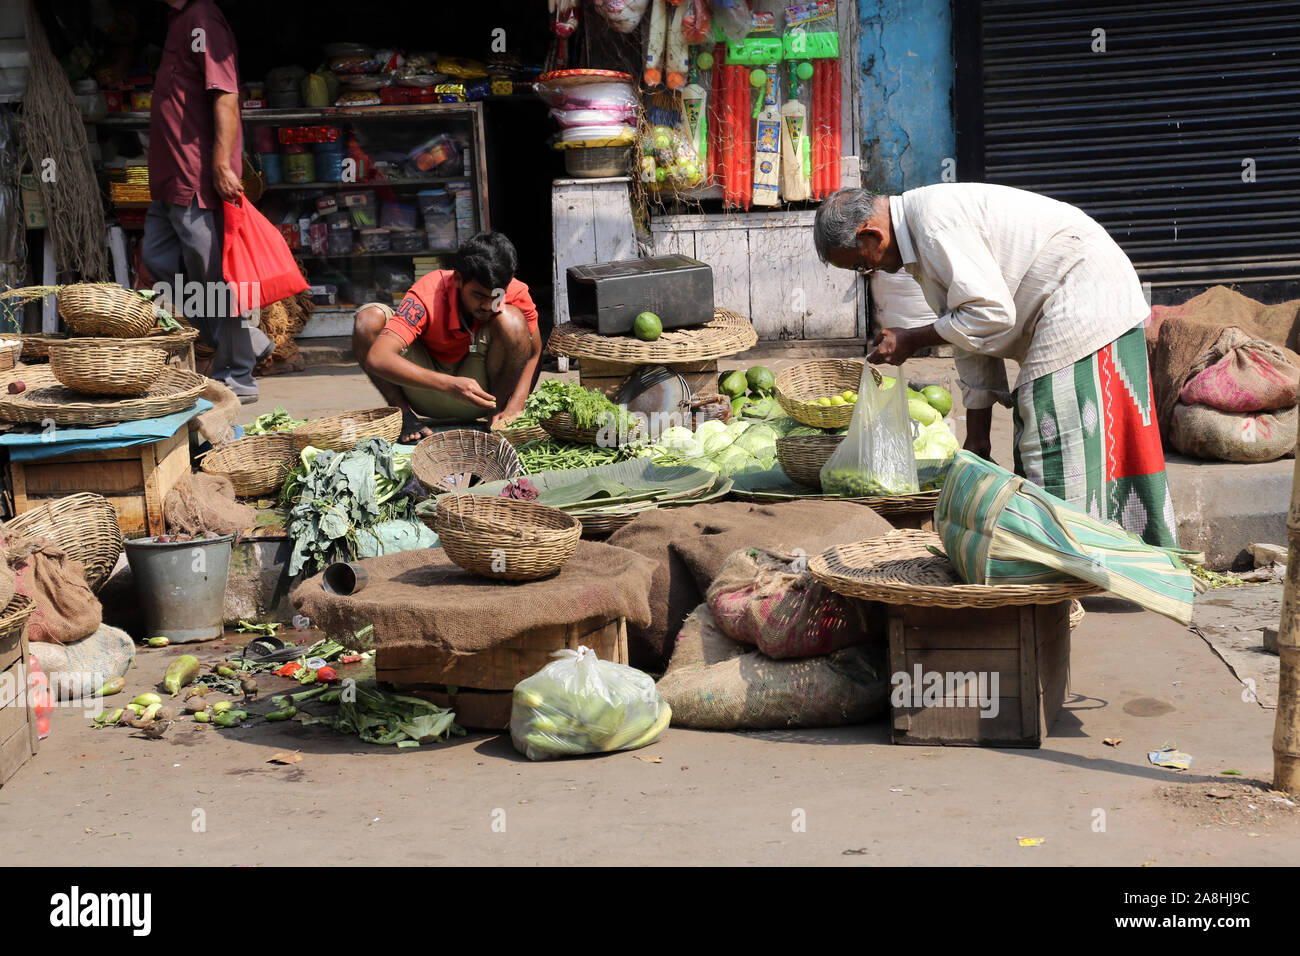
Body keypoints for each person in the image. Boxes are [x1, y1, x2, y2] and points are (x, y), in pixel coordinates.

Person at [813, 183, 1177, 548]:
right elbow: (967, 330)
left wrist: (914, 338)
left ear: (871, 234)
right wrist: (978, 438)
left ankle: (1065, 566)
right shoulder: (920, 238)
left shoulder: (934, 225)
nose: (868, 271)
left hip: (1087, 294)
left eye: (861, 264)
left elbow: (989, 315)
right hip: (1083, 297)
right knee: (1072, 444)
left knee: (1047, 445)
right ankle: (1088, 561)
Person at [142, 0, 271, 404]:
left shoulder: (203, 17)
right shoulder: (179, 19)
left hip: (198, 177)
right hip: (169, 179)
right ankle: (247, 339)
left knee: (216, 281)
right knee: (158, 263)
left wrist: (219, 163)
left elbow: (227, 96)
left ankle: (237, 375)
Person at [353, 231, 543, 442]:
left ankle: (497, 412)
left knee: (513, 320)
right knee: (368, 320)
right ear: (459, 279)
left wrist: (515, 406)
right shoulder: (429, 291)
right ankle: (404, 416)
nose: (488, 306)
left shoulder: (514, 290)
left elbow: (534, 353)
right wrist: (448, 384)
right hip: (427, 391)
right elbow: (378, 357)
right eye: (479, 295)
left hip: (485, 396)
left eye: (496, 297)